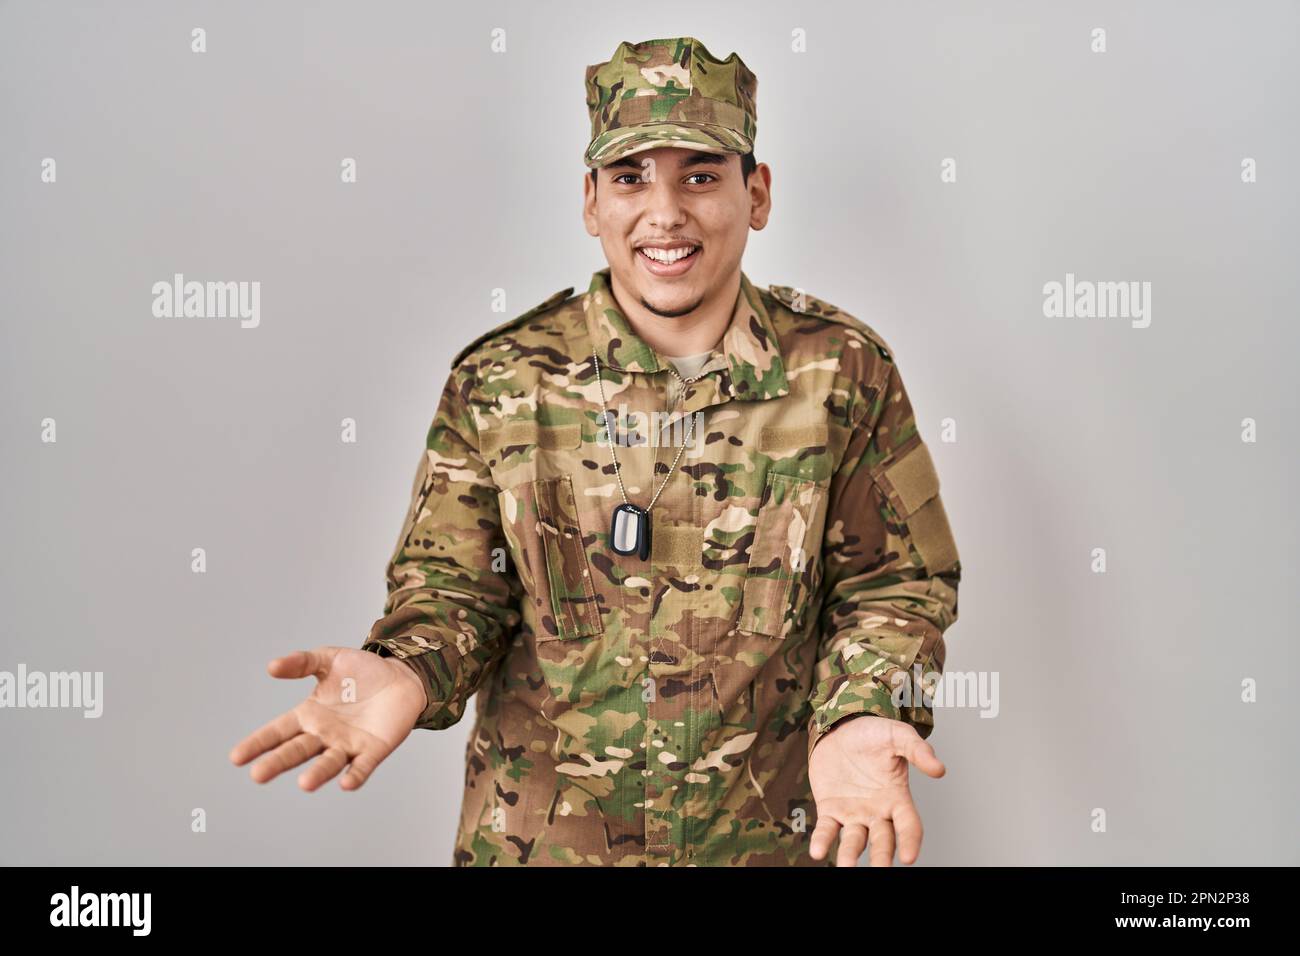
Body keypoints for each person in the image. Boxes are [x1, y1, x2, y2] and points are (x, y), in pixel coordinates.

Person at [230, 35, 962, 868]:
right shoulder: (502, 383)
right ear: (590, 202)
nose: (666, 213)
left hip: (770, 845)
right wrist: (408, 668)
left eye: (700, 174)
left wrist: (865, 709)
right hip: (545, 849)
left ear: (756, 193)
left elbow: (895, 581)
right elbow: (454, 592)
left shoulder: (841, 371)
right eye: (630, 177)